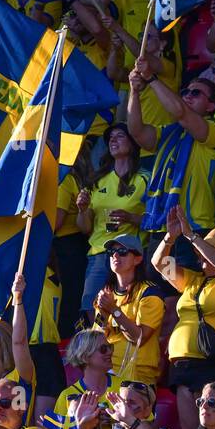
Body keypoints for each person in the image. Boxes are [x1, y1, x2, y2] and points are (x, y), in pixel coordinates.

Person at [154, 207, 215, 429]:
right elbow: (159, 263)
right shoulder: (192, 279)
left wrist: (192, 236)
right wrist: (170, 237)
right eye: (204, 251)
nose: (204, 255)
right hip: (183, 365)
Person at [127, 56, 215, 260]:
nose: (188, 96)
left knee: (186, 287)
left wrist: (151, 78)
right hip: (161, 225)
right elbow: (136, 132)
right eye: (185, 92)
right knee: (162, 289)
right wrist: (134, 92)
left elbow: (180, 112)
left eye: (196, 93)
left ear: (211, 106)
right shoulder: (170, 132)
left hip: (195, 227)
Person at [77, 124, 148, 303]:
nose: (113, 140)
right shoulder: (97, 182)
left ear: (133, 143)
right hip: (100, 253)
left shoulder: (146, 179)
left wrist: (131, 218)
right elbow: (85, 228)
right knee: (91, 305)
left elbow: (157, 221)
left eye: (120, 136)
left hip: (129, 254)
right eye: (110, 138)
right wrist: (82, 210)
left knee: (126, 305)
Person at [88, 233, 164, 387]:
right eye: (111, 252)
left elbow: (139, 338)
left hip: (137, 378)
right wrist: (103, 313)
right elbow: (95, 338)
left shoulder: (150, 292)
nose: (115, 255)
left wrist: (115, 311)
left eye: (122, 252)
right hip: (107, 373)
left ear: (138, 259)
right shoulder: (106, 292)